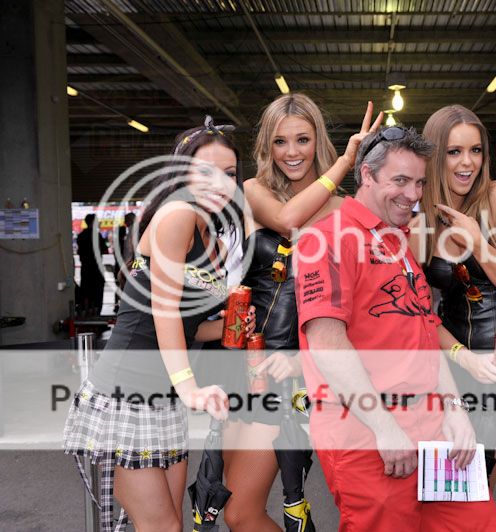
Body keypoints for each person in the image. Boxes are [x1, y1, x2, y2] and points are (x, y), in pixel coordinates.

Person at [295, 126, 496, 531]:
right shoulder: (326, 240)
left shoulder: (397, 243)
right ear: (367, 177)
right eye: (400, 181)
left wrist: (455, 409)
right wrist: (385, 428)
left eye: (420, 182)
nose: (412, 194)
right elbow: (326, 342)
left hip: (431, 433)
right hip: (369, 440)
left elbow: (424, 330)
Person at [63, 117, 255, 532]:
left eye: (229, 174)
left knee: (170, 527)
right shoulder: (177, 215)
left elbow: (184, 325)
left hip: (165, 398)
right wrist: (189, 386)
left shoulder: (214, 241)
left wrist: (224, 328)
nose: (220, 184)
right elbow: (163, 309)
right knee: (162, 527)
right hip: (126, 394)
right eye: (206, 172)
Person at [220, 93, 382, 531]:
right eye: (280, 142)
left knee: (243, 511)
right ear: (267, 148)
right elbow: (290, 218)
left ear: (319, 141)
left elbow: (363, 303)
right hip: (249, 366)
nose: (292, 152)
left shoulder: (348, 211)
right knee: (229, 504)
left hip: (306, 373)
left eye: (303, 139)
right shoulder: (254, 191)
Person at [411, 104, 496, 490]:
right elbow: (418, 310)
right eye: (454, 152)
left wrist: (477, 240)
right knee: (444, 495)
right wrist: (459, 356)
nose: (468, 163)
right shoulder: (422, 218)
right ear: (434, 157)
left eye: (476, 150)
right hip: (451, 366)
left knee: (478, 491)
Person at [77, 213, 109, 316]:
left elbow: (79, 252)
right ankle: (97, 317)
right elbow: (105, 250)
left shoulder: (80, 236)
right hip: (96, 269)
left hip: (85, 269)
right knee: (97, 294)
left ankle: (86, 316)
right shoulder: (97, 235)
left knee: (86, 293)